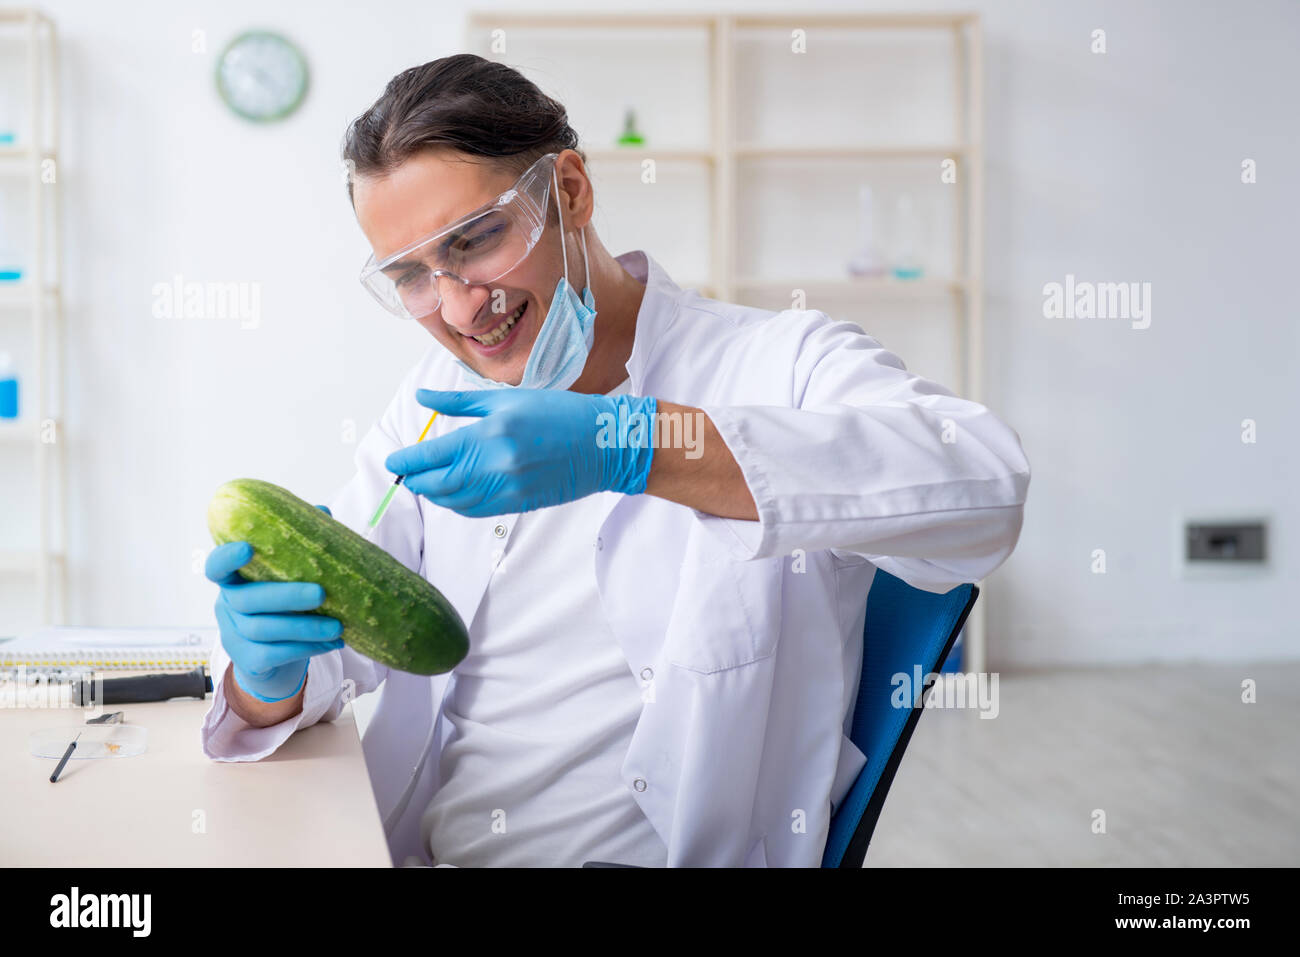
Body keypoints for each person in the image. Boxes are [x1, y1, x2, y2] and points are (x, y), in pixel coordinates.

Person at [201, 54, 1031, 868]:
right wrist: (264, 674)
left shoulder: (777, 361)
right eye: (413, 276)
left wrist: (631, 444)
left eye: (476, 239)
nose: (457, 306)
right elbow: (339, 634)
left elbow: (986, 487)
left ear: (569, 190)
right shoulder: (431, 401)